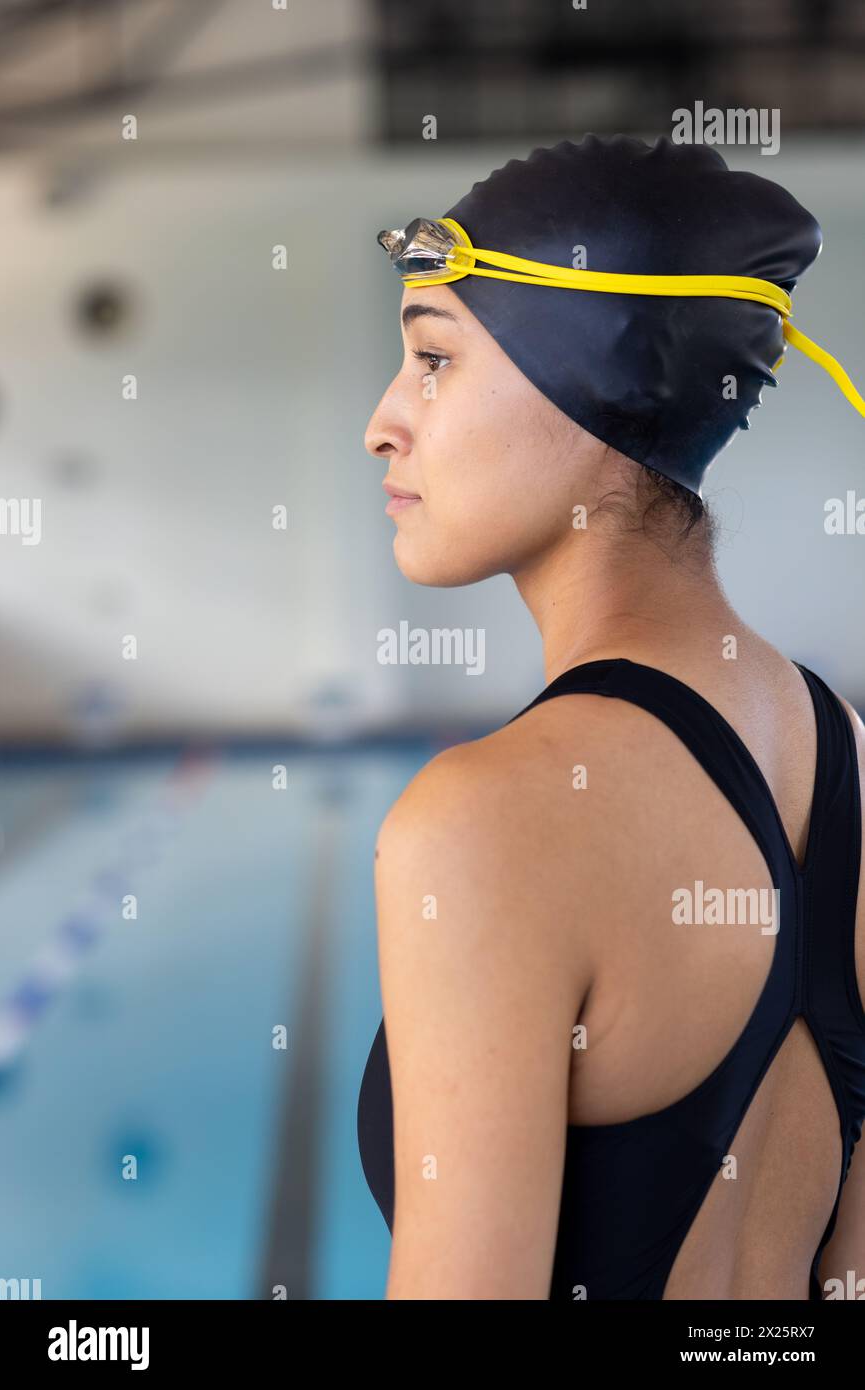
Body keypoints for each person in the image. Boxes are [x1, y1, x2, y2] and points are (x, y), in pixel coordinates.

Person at [356, 135, 865, 1300]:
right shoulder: (845, 753)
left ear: (599, 392)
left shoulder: (483, 821)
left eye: (435, 358)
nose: (384, 422)